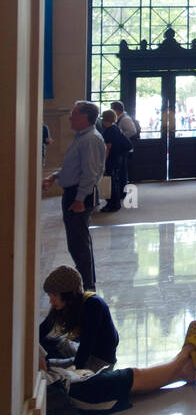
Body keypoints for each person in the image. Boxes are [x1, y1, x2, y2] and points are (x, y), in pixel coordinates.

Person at [41, 320, 196, 415]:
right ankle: (184, 357)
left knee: (133, 381)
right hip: (75, 392)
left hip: (71, 385)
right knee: (134, 377)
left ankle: (184, 371)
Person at [42, 101, 106, 291]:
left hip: (80, 196)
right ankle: (86, 283)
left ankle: (87, 286)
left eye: (73, 114)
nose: (70, 118)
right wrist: (55, 176)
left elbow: (90, 173)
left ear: (84, 118)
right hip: (74, 193)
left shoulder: (91, 139)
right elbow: (73, 167)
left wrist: (79, 199)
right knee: (76, 243)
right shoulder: (81, 137)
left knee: (79, 245)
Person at [39, 266, 119, 372]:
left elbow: (85, 348)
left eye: (54, 295)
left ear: (68, 294)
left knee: (47, 365)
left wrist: (49, 365)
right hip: (83, 351)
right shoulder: (67, 304)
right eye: (50, 295)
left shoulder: (93, 305)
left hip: (99, 363)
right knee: (46, 343)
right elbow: (43, 330)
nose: (51, 301)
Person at [99, 109, 133, 212]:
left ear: (104, 119)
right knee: (114, 181)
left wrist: (103, 163)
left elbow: (107, 148)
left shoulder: (109, 131)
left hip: (111, 159)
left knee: (110, 182)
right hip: (117, 158)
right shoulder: (116, 128)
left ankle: (112, 204)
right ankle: (115, 203)